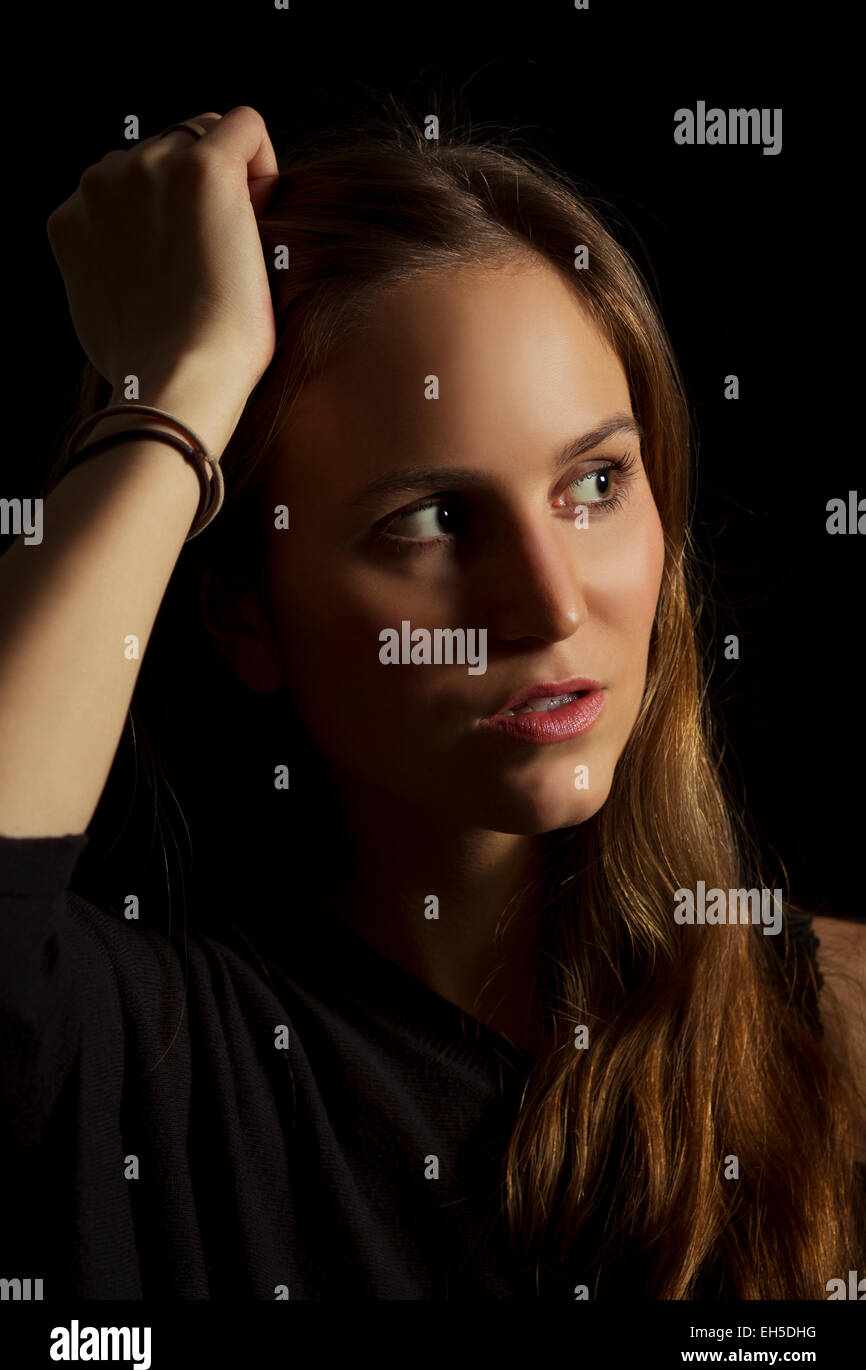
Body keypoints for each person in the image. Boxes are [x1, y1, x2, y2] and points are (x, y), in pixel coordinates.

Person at [1, 102, 864, 1301]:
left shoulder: (838, 1029)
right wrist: (180, 382)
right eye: (432, 519)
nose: (549, 603)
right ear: (242, 612)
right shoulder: (159, 1073)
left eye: (595, 481)